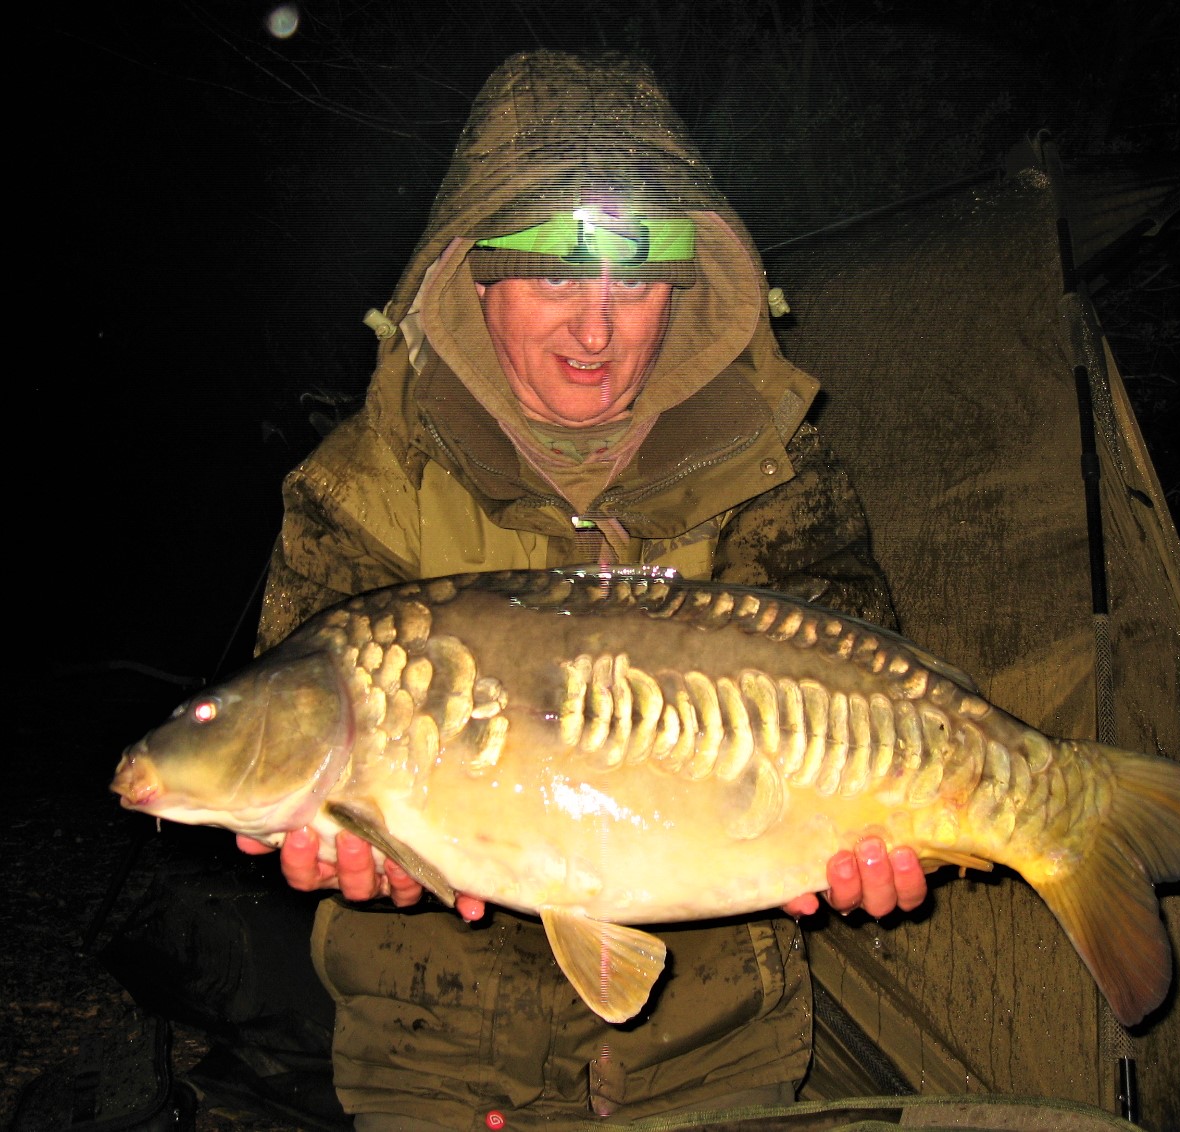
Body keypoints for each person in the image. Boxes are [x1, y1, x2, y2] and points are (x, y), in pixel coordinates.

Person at [240, 50, 927, 1129]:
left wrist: (884, 840)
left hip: (718, 1049)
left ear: (682, 287)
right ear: (476, 277)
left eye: (635, 278)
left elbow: (868, 690)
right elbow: (300, 727)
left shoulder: (776, 470)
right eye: (556, 276)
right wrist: (329, 851)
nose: (595, 330)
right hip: (434, 1058)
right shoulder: (358, 492)